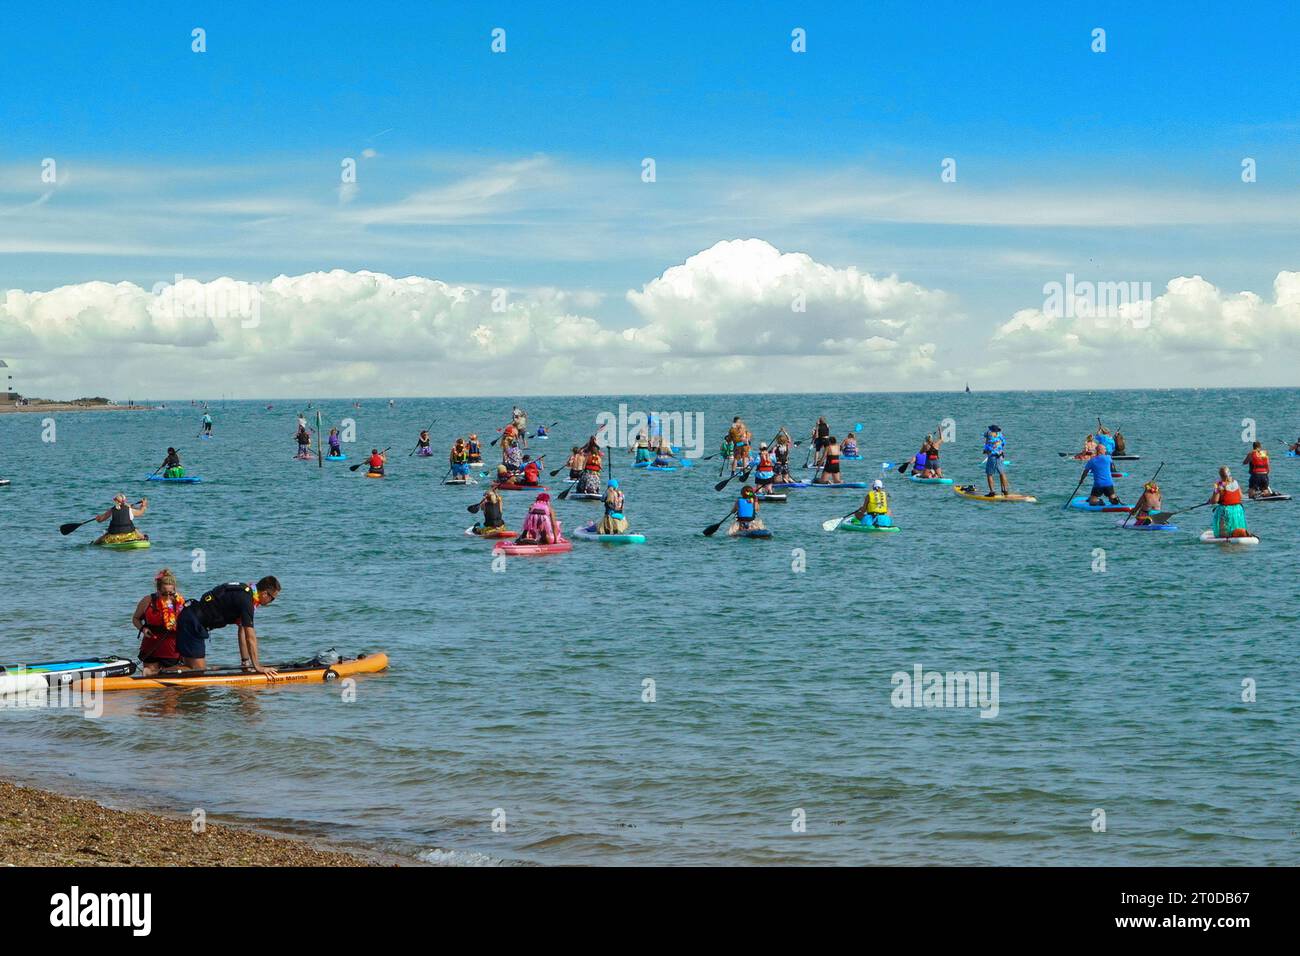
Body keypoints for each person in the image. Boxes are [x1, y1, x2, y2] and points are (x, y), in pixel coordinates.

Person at [175, 577, 281, 673]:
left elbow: (243, 631)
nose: (271, 602)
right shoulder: (246, 600)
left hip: (191, 619)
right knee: (197, 670)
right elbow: (250, 637)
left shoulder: (246, 593)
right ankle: (158, 673)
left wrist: (245, 662)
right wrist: (258, 667)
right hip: (192, 623)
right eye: (273, 598)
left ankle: (163, 675)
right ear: (265, 594)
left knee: (191, 667)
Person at [132, 569, 186, 675]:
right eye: (164, 593)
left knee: (171, 688)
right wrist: (143, 629)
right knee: (150, 680)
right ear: (157, 590)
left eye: (171, 593)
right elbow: (135, 618)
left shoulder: (180, 602)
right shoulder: (147, 601)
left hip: (172, 649)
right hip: (151, 647)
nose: (168, 596)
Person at [1208, 467, 1250, 538]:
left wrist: (1210, 500)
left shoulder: (1218, 485)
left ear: (1220, 475)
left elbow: (1215, 501)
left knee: (1223, 533)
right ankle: (1239, 533)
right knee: (1236, 527)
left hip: (1226, 510)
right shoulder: (1235, 482)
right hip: (1238, 510)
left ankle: (1225, 537)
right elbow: (1241, 496)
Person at [982, 425, 1010, 496]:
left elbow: (985, 436)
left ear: (992, 430)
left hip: (992, 456)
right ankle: (1005, 490)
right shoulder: (1000, 435)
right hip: (1000, 456)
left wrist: (985, 450)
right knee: (1002, 473)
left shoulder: (989, 434)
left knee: (989, 474)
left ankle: (992, 492)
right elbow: (1003, 443)